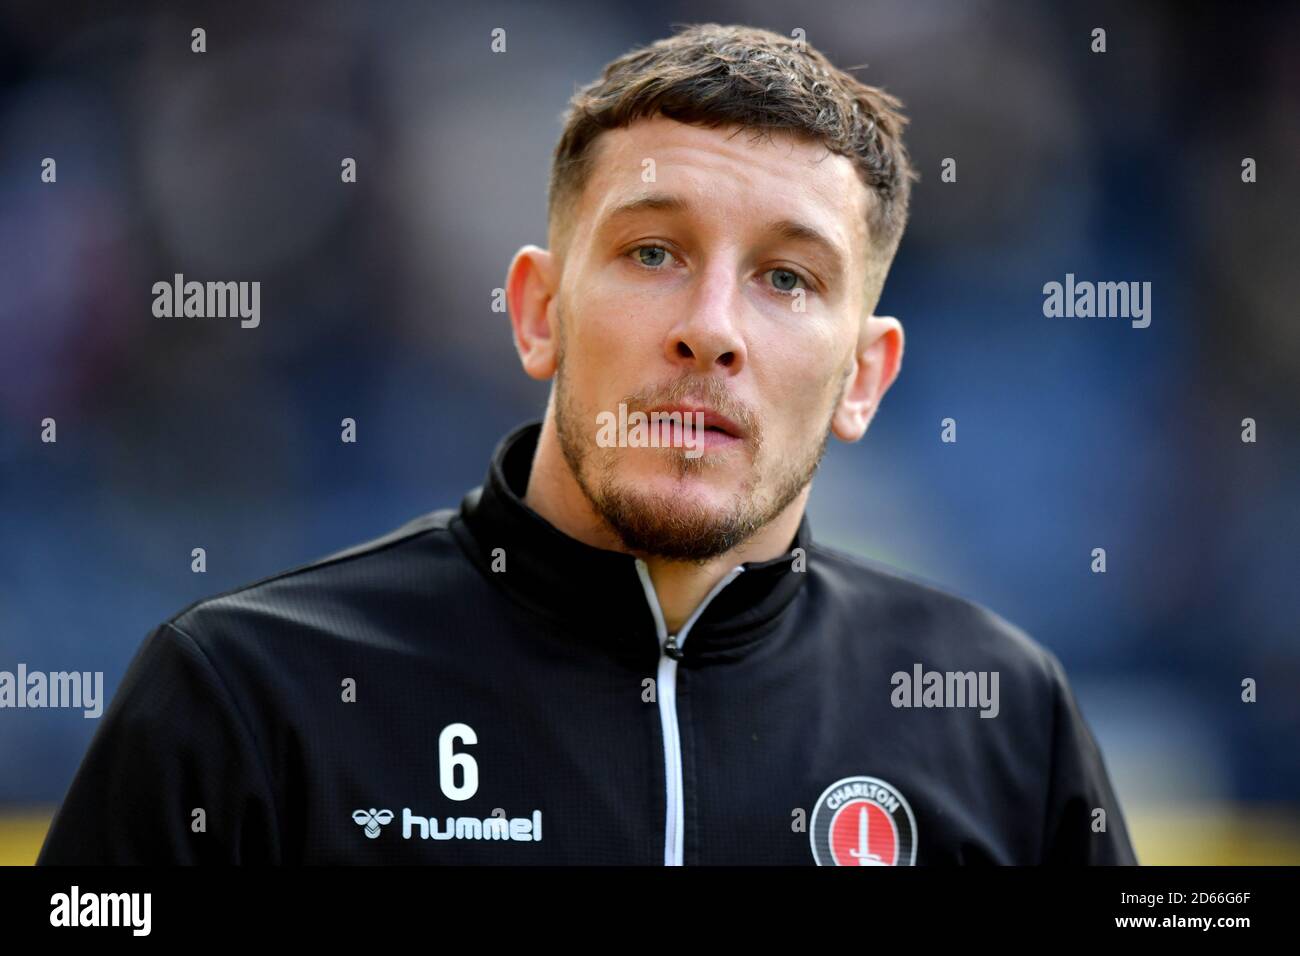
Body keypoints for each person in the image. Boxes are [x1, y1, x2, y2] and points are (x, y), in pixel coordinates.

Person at [38, 22, 1136, 865]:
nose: (709, 327)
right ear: (537, 313)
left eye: (786, 277)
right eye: (653, 252)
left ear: (863, 376)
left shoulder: (1006, 720)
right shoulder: (246, 696)